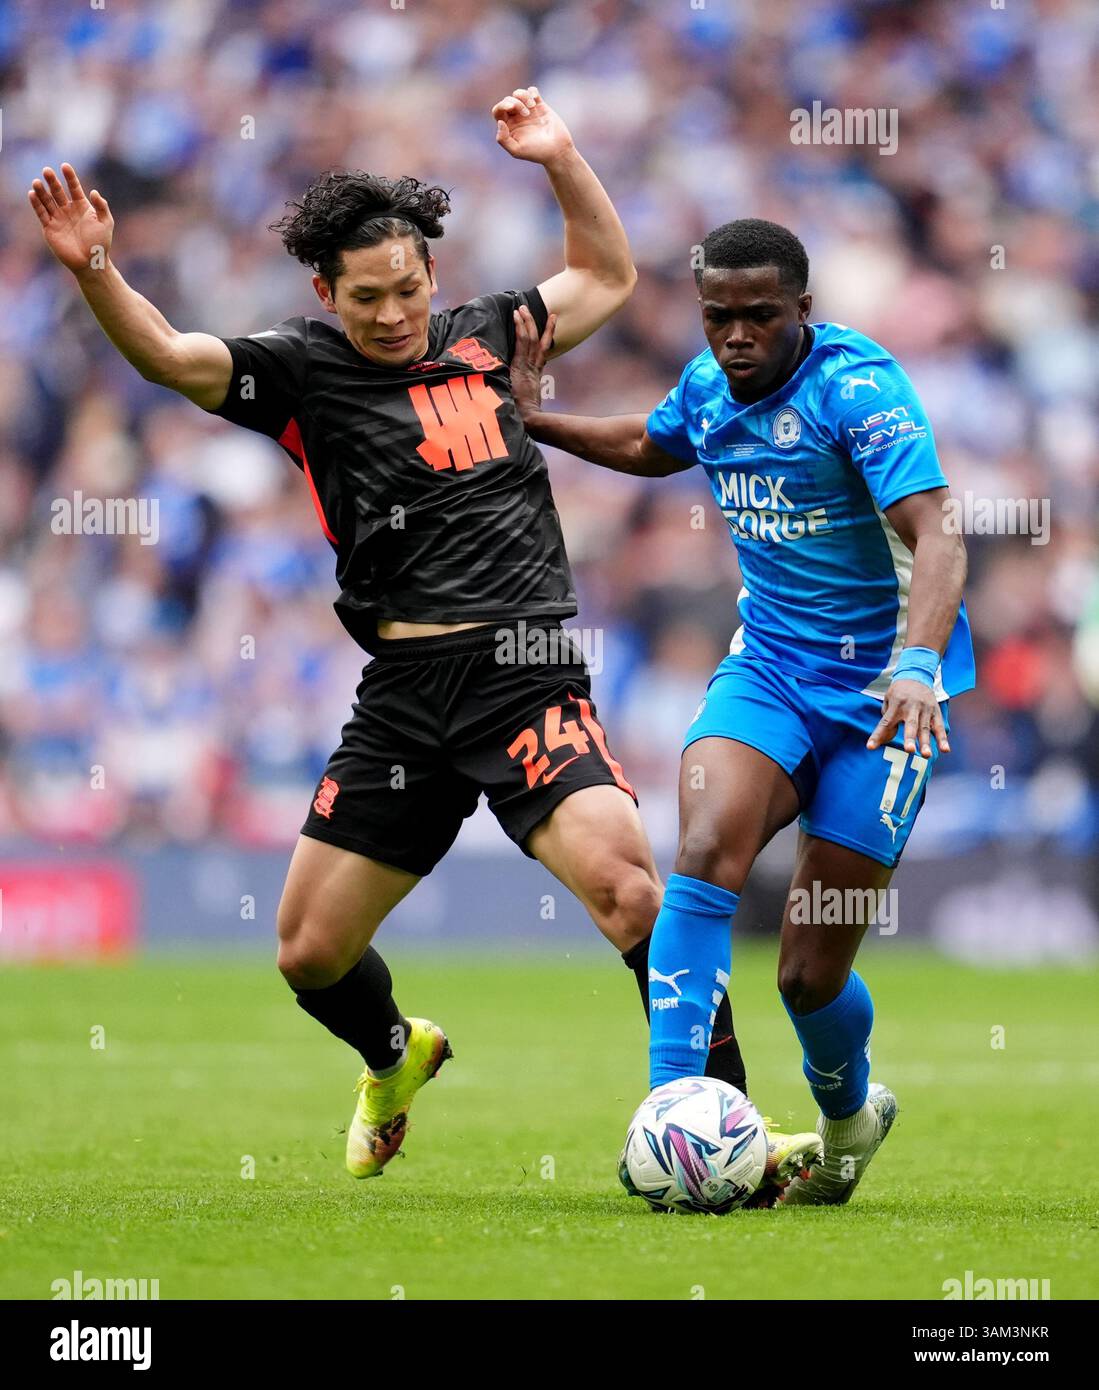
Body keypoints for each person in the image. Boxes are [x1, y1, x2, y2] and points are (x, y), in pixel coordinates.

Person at [29, 92, 811, 1189]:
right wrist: (94, 269)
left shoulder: (491, 334)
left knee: (633, 893)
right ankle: (394, 1059)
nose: (393, 314)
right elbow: (167, 356)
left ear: (429, 275)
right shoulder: (300, 370)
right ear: (323, 292)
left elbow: (606, 275)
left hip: (527, 675)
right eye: (366, 298)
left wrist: (561, 157)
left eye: (406, 290)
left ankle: (731, 1124)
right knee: (308, 953)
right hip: (402, 691)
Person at [510, 217, 974, 1205]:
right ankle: (674, 1106)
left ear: (803, 310)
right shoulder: (711, 386)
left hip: (881, 700)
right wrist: (535, 423)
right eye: (718, 316)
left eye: (760, 316)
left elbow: (937, 531)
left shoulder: (859, 390)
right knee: (705, 844)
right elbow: (649, 439)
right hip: (766, 670)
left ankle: (847, 1118)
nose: (735, 337)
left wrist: (919, 664)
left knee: (806, 974)